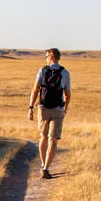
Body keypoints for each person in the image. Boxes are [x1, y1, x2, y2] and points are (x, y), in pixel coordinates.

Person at [28, 48, 71, 178]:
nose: (46, 59)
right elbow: (67, 94)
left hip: (43, 109)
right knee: (53, 139)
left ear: (51, 57)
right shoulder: (65, 72)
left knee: (43, 137)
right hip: (58, 109)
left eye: (46, 56)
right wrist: (65, 108)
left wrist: (30, 107)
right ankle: (46, 168)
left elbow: (35, 90)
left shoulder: (42, 70)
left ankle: (42, 164)